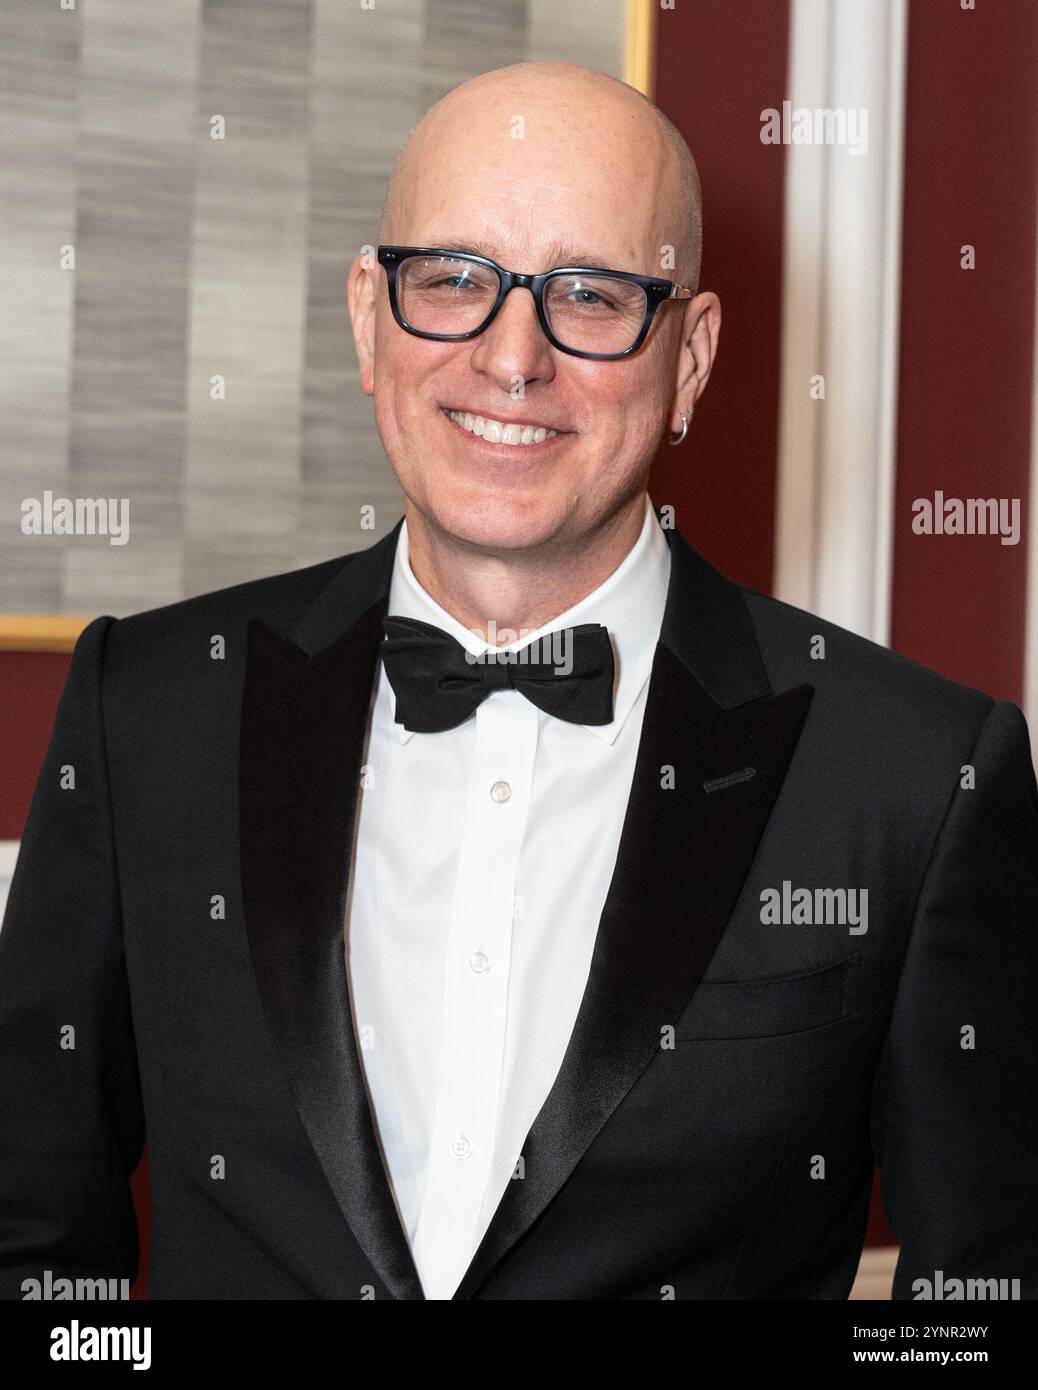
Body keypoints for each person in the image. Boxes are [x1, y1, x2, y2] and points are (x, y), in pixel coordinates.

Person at [1, 60, 1036, 1302]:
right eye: (452, 281)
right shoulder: (146, 712)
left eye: (590, 297)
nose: (510, 357)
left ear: (691, 356)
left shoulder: (917, 776)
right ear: (369, 320)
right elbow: (32, 1252)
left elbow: (982, 1311)